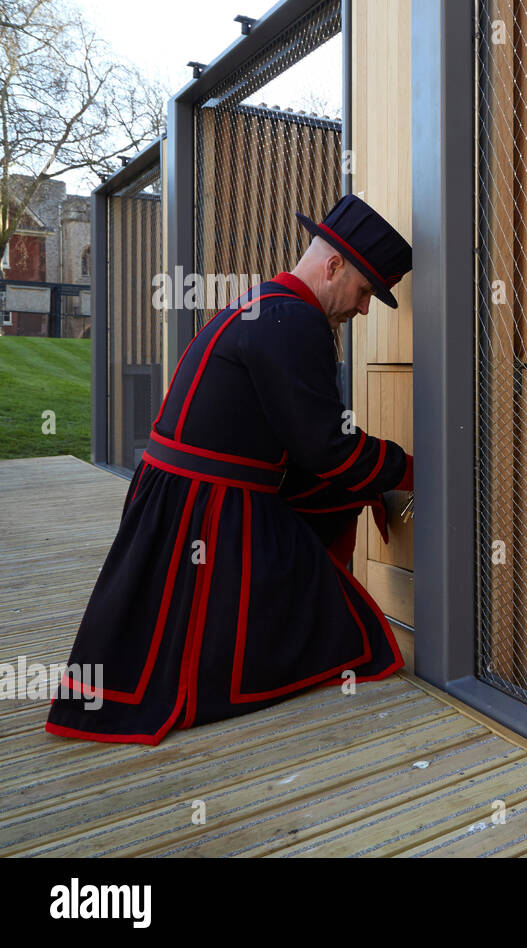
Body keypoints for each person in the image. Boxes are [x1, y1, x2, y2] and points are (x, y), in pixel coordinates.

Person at [46, 194, 414, 745]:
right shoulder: (295, 320)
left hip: (176, 496)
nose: (363, 310)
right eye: (365, 292)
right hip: (208, 508)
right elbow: (326, 448)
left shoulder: (268, 304)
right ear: (334, 265)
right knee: (355, 633)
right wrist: (410, 468)